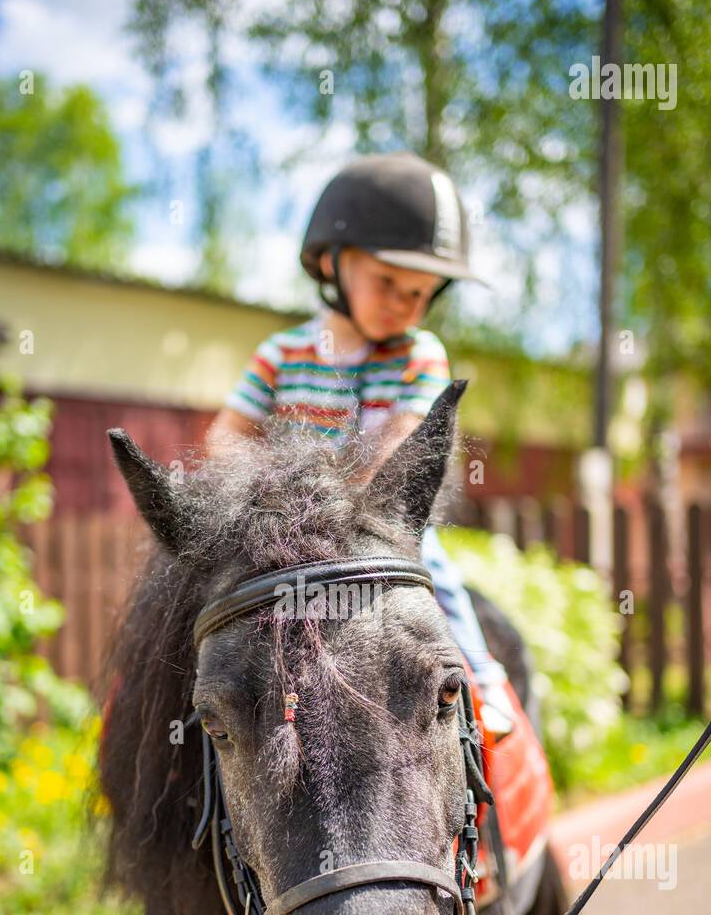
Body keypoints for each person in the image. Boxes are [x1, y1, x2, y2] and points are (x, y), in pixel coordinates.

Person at [205, 150, 515, 738]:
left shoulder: (420, 354)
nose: (405, 302)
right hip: (292, 525)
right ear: (330, 262)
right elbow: (226, 436)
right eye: (388, 282)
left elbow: (403, 441)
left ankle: (482, 672)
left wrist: (350, 496)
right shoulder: (279, 354)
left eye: (422, 292)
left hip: (379, 521)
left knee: (434, 569)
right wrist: (265, 485)